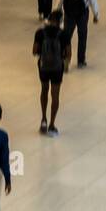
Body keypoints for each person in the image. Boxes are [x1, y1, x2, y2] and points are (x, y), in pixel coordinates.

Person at [32, 8, 71, 136]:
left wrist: (42, 55)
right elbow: (68, 53)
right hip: (57, 68)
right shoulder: (64, 34)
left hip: (43, 67)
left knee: (44, 90)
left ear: (49, 19)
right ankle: (52, 125)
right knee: (55, 95)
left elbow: (34, 51)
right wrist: (64, 63)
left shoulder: (40, 33)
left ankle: (43, 119)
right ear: (60, 21)